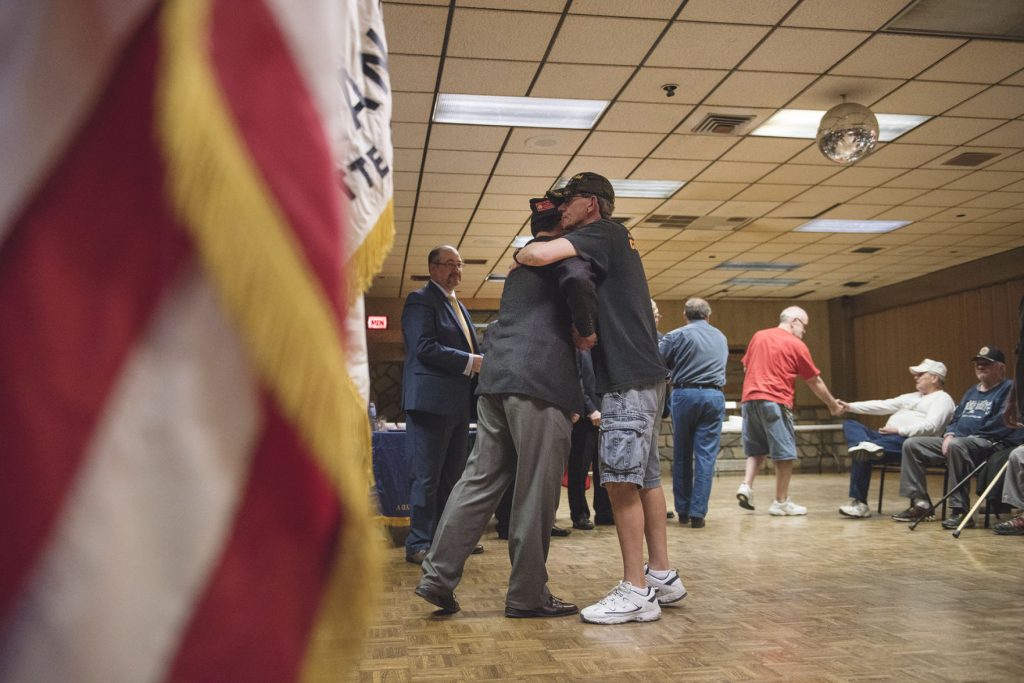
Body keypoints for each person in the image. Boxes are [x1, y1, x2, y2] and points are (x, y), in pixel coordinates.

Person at [514, 172, 684, 625]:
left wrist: (520, 252)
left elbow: (540, 254)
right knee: (645, 479)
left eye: (568, 201)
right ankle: (661, 574)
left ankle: (635, 590)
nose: (562, 209)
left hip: (626, 378)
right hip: (644, 375)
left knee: (620, 481)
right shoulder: (616, 238)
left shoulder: (603, 231)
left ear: (591, 203)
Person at [415, 197, 597, 618]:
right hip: (539, 383)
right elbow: (576, 280)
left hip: (496, 380)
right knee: (536, 490)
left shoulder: (521, 266)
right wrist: (586, 329)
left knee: (477, 482)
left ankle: (437, 577)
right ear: (564, 225)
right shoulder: (562, 256)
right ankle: (527, 595)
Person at [401, 245, 483, 564]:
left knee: (453, 478)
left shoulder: (460, 306)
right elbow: (423, 347)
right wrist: (471, 362)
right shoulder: (420, 300)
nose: (456, 270)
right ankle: (419, 543)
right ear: (432, 268)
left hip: (458, 406)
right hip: (430, 404)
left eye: (459, 265)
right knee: (426, 478)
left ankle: (447, 541)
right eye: (449, 264)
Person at [893, 346, 1024, 527]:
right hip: (958, 441)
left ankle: (960, 511)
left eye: (986, 363)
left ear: (1001, 368)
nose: (980, 366)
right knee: (912, 444)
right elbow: (956, 418)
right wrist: (949, 434)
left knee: (957, 445)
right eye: (978, 364)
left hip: (990, 443)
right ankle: (921, 503)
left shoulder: (1009, 388)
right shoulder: (971, 391)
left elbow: (1002, 422)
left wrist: (958, 439)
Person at [736, 306, 842, 516]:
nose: (804, 331)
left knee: (756, 449)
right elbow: (814, 380)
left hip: (749, 401)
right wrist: (832, 404)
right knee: (784, 454)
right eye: (804, 326)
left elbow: (746, 367)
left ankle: (746, 486)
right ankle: (781, 502)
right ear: (794, 322)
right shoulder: (796, 344)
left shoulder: (759, 336)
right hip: (775, 401)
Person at [834, 359, 955, 518]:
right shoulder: (912, 396)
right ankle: (866, 446)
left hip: (908, 442)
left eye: (920, 374)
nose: (915, 377)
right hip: (884, 438)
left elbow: (932, 426)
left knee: (862, 452)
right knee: (851, 425)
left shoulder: (942, 399)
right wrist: (849, 407)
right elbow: (883, 405)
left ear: (934, 378)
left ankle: (860, 503)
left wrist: (900, 430)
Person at [659, 298, 729, 528]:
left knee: (682, 454)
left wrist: (672, 372)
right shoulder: (721, 337)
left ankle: (683, 510)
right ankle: (698, 514)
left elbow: (657, 360)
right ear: (708, 315)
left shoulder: (677, 335)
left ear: (684, 315)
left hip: (685, 394)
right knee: (706, 457)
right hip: (714, 395)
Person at [567, 348, 613, 529]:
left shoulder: (603, 349)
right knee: (579, 468)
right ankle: (579, 514)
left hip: (605, 412)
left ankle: (604, 511)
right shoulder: (578, 350)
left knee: (604, 467)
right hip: (585, 417)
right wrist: (590, 409)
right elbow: (576, 381)